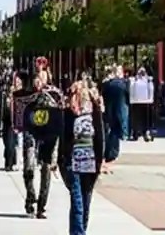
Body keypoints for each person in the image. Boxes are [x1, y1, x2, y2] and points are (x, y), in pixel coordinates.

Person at [58, 78, 105, 235]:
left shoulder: (94, 112)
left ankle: (80, 230)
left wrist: (100, 162)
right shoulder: (68, 114)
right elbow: (64, 139)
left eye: (80, 94)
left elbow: (99, 138)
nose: (77, 98)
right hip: (73, 164)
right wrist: (61, 162)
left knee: (85, 204)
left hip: (90, 164)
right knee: (77, 203)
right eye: (75, 94)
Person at [17, 69, 63, 218]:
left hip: (48, 136)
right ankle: (30, 197)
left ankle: (41, 206)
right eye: (37, 78)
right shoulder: (27, 95)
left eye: (42, 77)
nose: (39, 81)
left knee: (46, 169)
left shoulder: (54, 95)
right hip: (31, 134)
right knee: (28, 168)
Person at [99, 65, 129, 171]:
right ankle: (112, 153)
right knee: (116, 132)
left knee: (108, 131)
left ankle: (107, 153)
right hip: (120, 110)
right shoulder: (123, 84)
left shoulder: (107, 84)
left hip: (108, 110)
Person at [128, 67, 155, 142]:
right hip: (138, 102)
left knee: (143, 119)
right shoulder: (135, 80)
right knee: (138, 119)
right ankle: (137, 133)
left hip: (144, 102)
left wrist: (150, 100)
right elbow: (131, 89)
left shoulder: (147, 80)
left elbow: (151, 89)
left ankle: (143, 132)